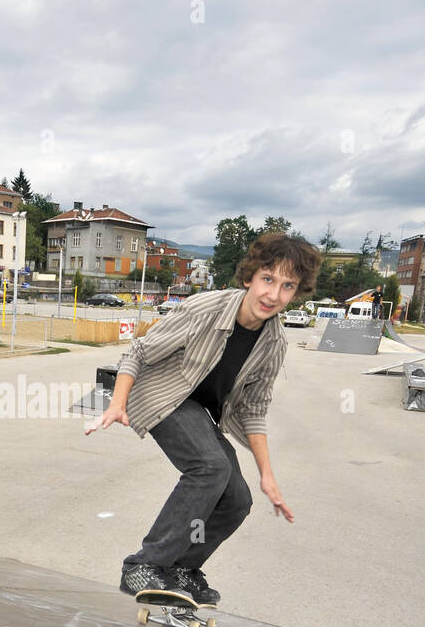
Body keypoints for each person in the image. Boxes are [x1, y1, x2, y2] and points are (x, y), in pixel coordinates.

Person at [85, 232, 322, 605]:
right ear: (249, 277)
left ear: (297, 292)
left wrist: (267, 474)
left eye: (287, 286)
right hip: (161, 396)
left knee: (238, 500)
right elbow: (139, 351)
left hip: (198, 412)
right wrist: (117, 403)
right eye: (268, 279)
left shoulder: (274, 343)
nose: (273, 295)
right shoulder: (205, 309)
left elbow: (254, 410)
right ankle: (144, 565)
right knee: (210, 468)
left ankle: (182, 567)